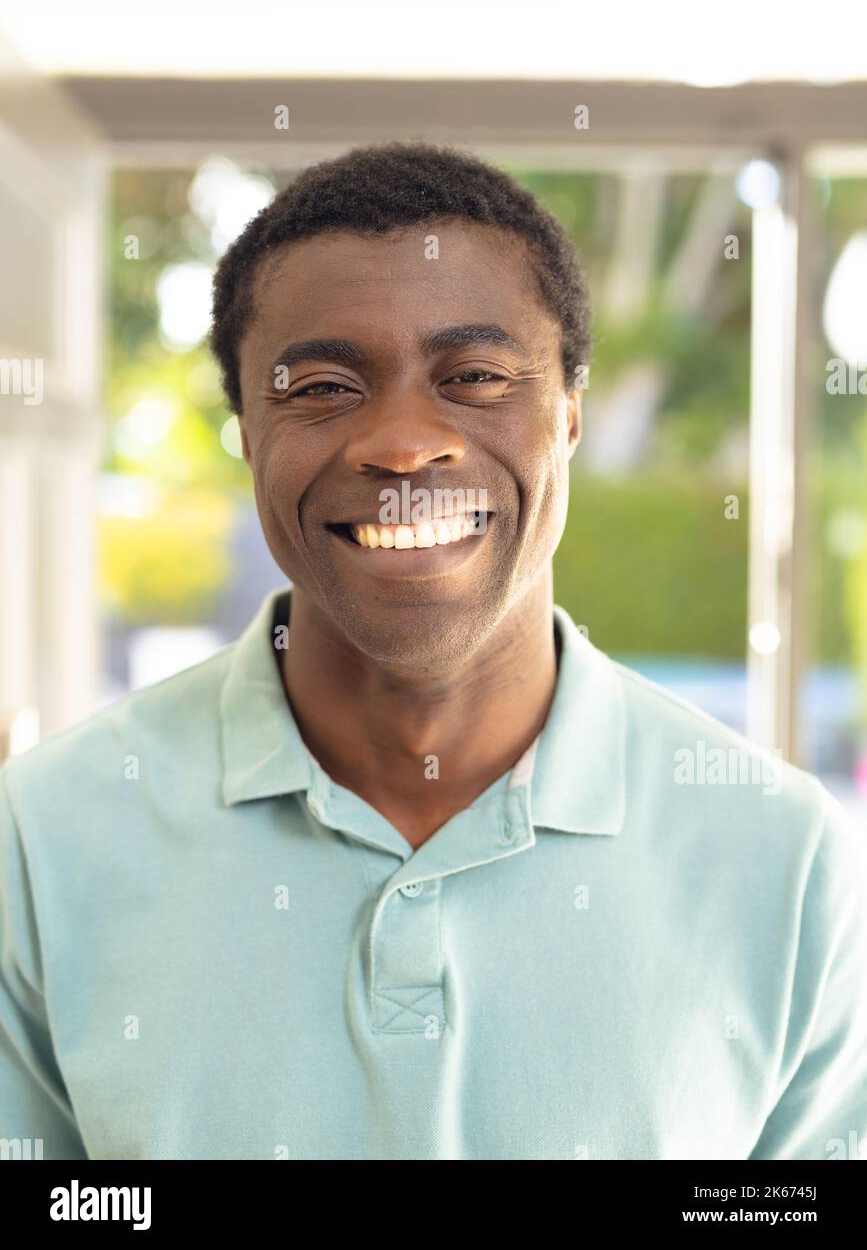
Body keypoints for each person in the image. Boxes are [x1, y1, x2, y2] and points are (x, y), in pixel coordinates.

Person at [1, 142, 866, 1160]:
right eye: (321, 385)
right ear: (246, 428)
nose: (405, 444)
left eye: (477, 375)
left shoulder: (784, 858)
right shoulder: (42, 838)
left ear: (571, 417)